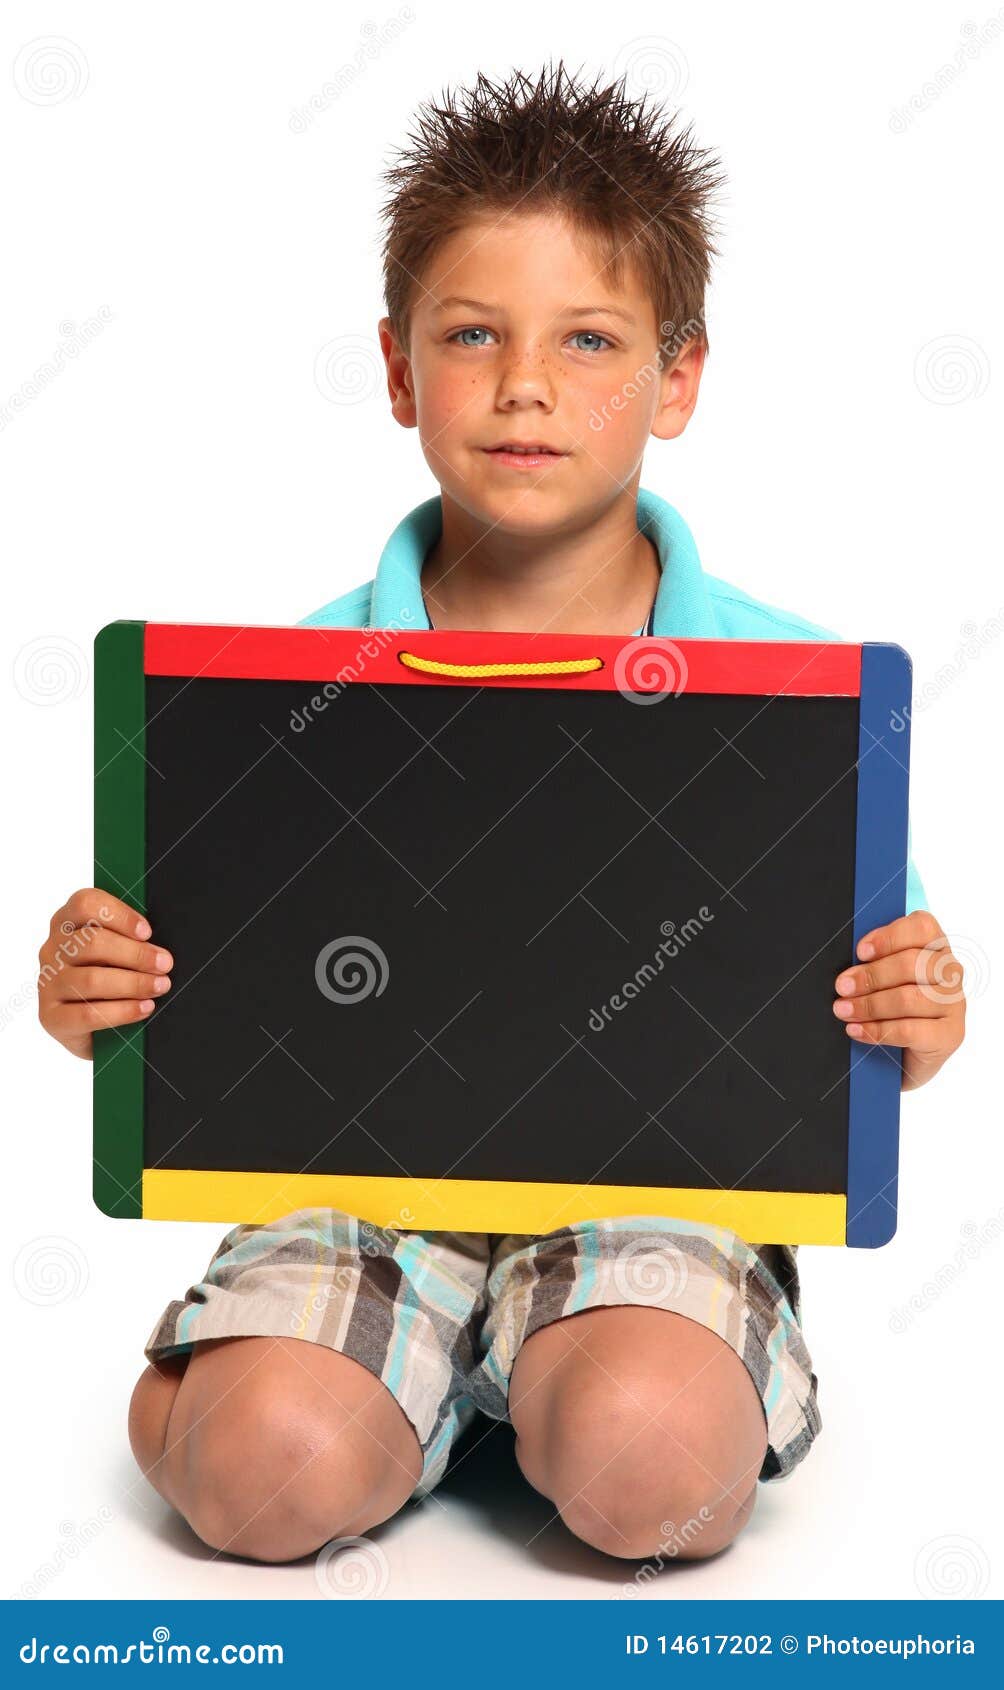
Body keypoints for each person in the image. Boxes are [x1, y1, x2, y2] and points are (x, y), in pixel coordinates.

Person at [37, 62, 966, 1567]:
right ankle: (295, 1390)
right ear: (400, 371)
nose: (525, 383)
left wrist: (919, 1015)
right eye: (473, 334)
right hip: (354, 1194)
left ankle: (546, 1388)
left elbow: (871, 1014)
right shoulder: (278, 695)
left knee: (651, 1468)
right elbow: (184, 994)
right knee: (260, 1473)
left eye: (588, 339)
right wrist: (97, 993)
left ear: (678, 379)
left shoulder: (797, 700)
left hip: (662, 1196)